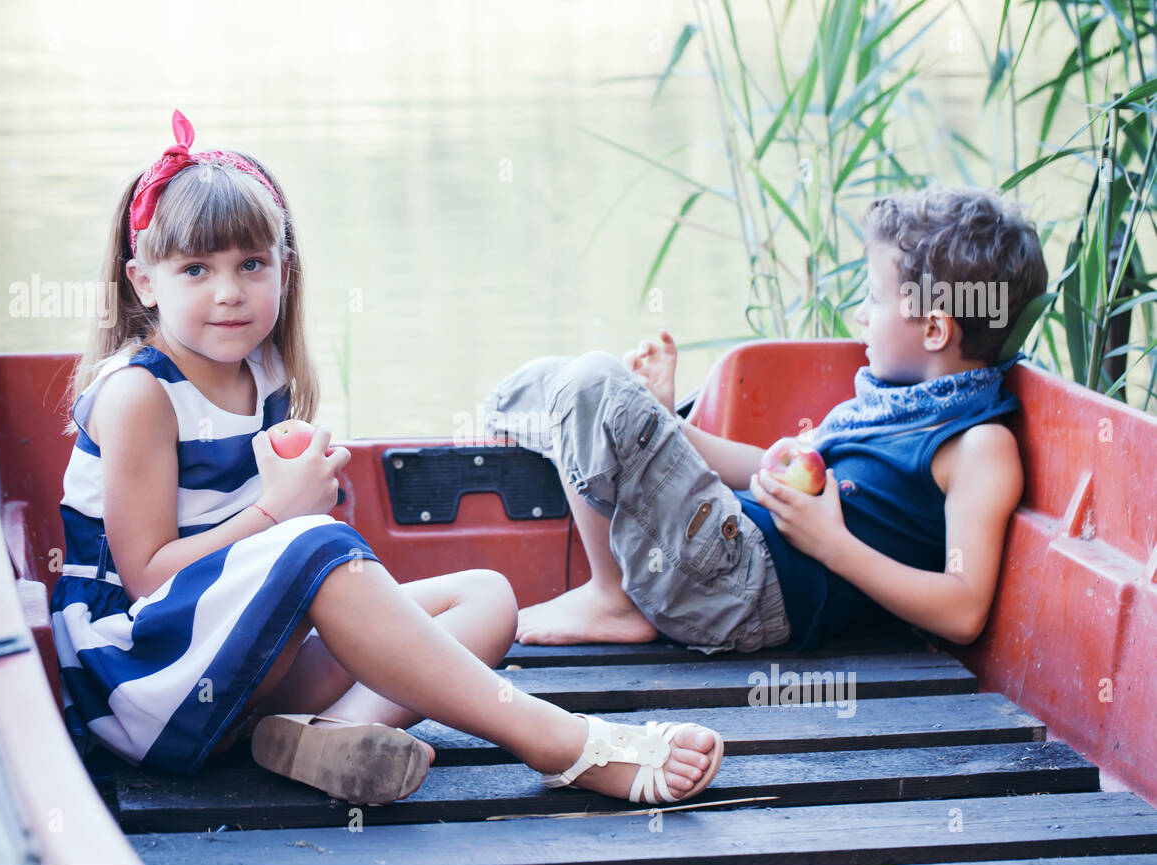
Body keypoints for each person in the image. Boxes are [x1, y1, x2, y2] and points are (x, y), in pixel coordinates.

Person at [48, 109, 723, 807]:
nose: (229, 291)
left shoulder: (264, 370)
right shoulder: (139, 395)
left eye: (251, 264)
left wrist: (292, 516)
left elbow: (260, 558)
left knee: (487, 595)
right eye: (196, 269)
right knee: (315, 543)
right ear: (143, 282)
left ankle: (328, 737)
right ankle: (561, 743)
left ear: (283, 267)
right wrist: (278, 514)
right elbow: (146, 577)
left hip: (234, 664)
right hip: (142, 679)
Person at [483, 184, 1047, 655]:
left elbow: (964, 607)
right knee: (568, 380)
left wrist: (833, 544)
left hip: (744, 587)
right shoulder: (890, 400)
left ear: (934, 331)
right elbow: (763, 469)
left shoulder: (977, 444)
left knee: (594, 383)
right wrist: (664, 425)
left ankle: (613, 599)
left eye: (874, 298)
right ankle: (613, 577)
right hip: (729, 541)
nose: (859, 315)